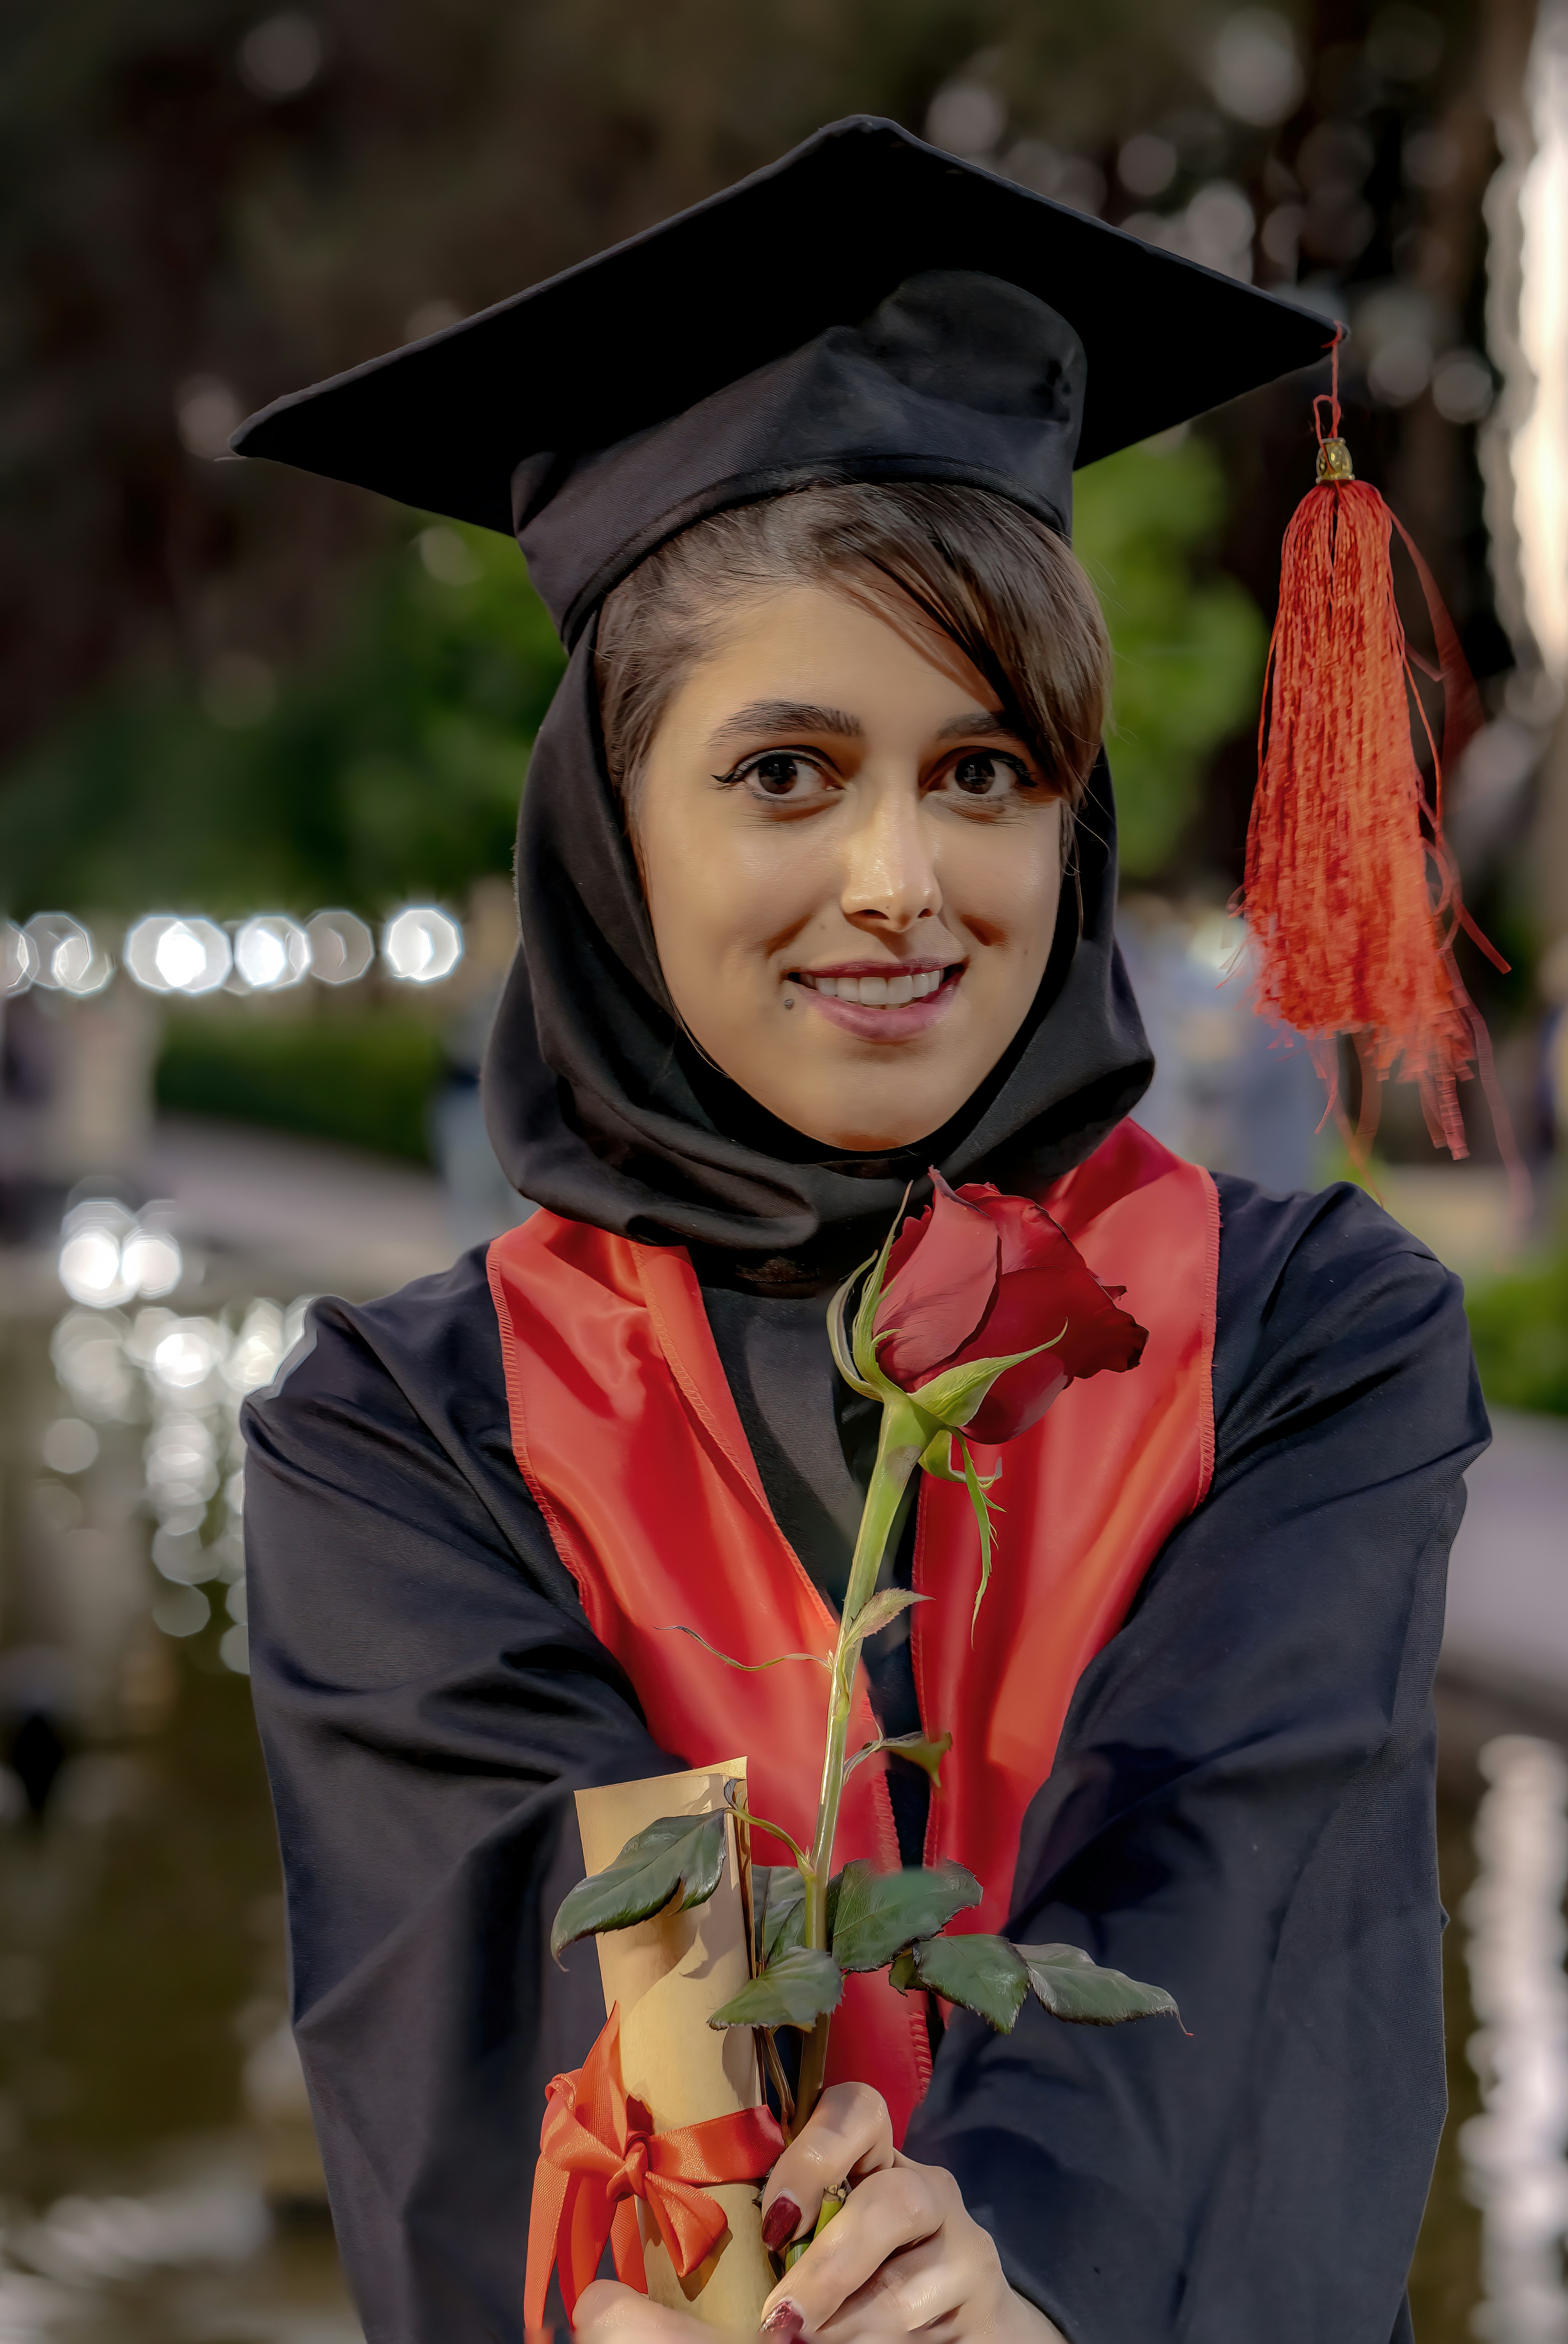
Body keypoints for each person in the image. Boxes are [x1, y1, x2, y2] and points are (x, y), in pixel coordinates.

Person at [235, 118, 1485, 2344]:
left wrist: (1016, 2276)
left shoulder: (1308, 1342)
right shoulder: (404, 1434)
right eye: (787, 770)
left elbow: (1238, 1885)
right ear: (612, 834)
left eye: (989, 766)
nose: (906, 877)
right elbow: (484, 2006)